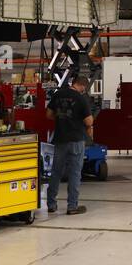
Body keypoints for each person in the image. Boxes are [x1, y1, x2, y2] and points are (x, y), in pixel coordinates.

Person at [45, 74, 93, 215]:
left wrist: (62, 118)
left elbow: (48, 114)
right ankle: (72, 206)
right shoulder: (80, 98)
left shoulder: (58, 94)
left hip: (60, 138)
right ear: (82, 86)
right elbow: (89, 121)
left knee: (56, 172)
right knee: (74, 173)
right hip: (76, 140)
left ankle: (51, 204)